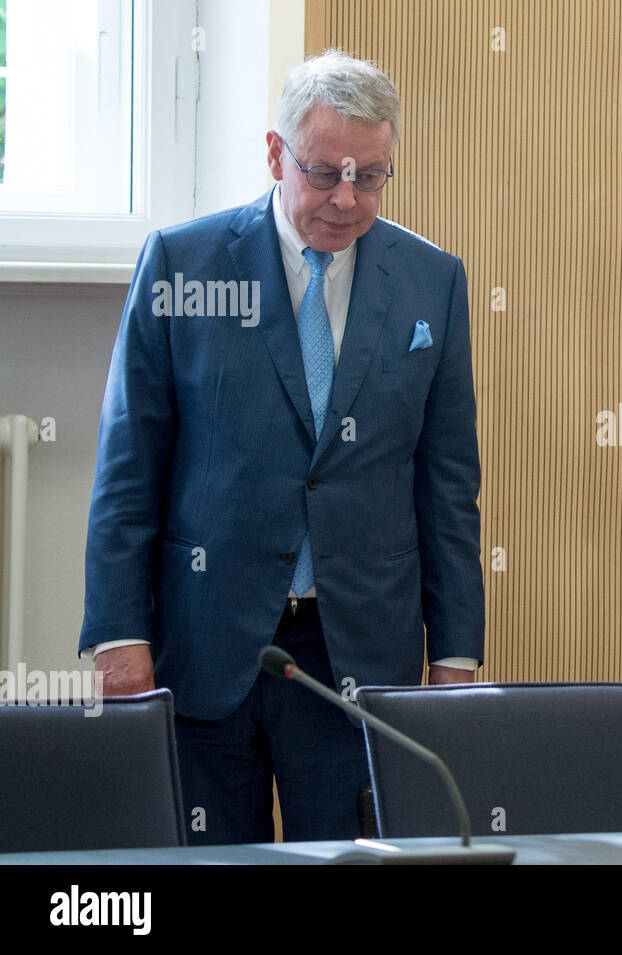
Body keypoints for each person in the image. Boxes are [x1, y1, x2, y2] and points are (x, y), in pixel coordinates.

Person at [79, 50, 485, 844]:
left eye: (370, 176)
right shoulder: (182, 266)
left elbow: (448, 485)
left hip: (355, 655)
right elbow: (128, 469)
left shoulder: (431, 280)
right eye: (325, 170)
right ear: (275, 154)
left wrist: (457, 657)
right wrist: (118, 636)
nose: (346, 196)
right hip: (206, 646)